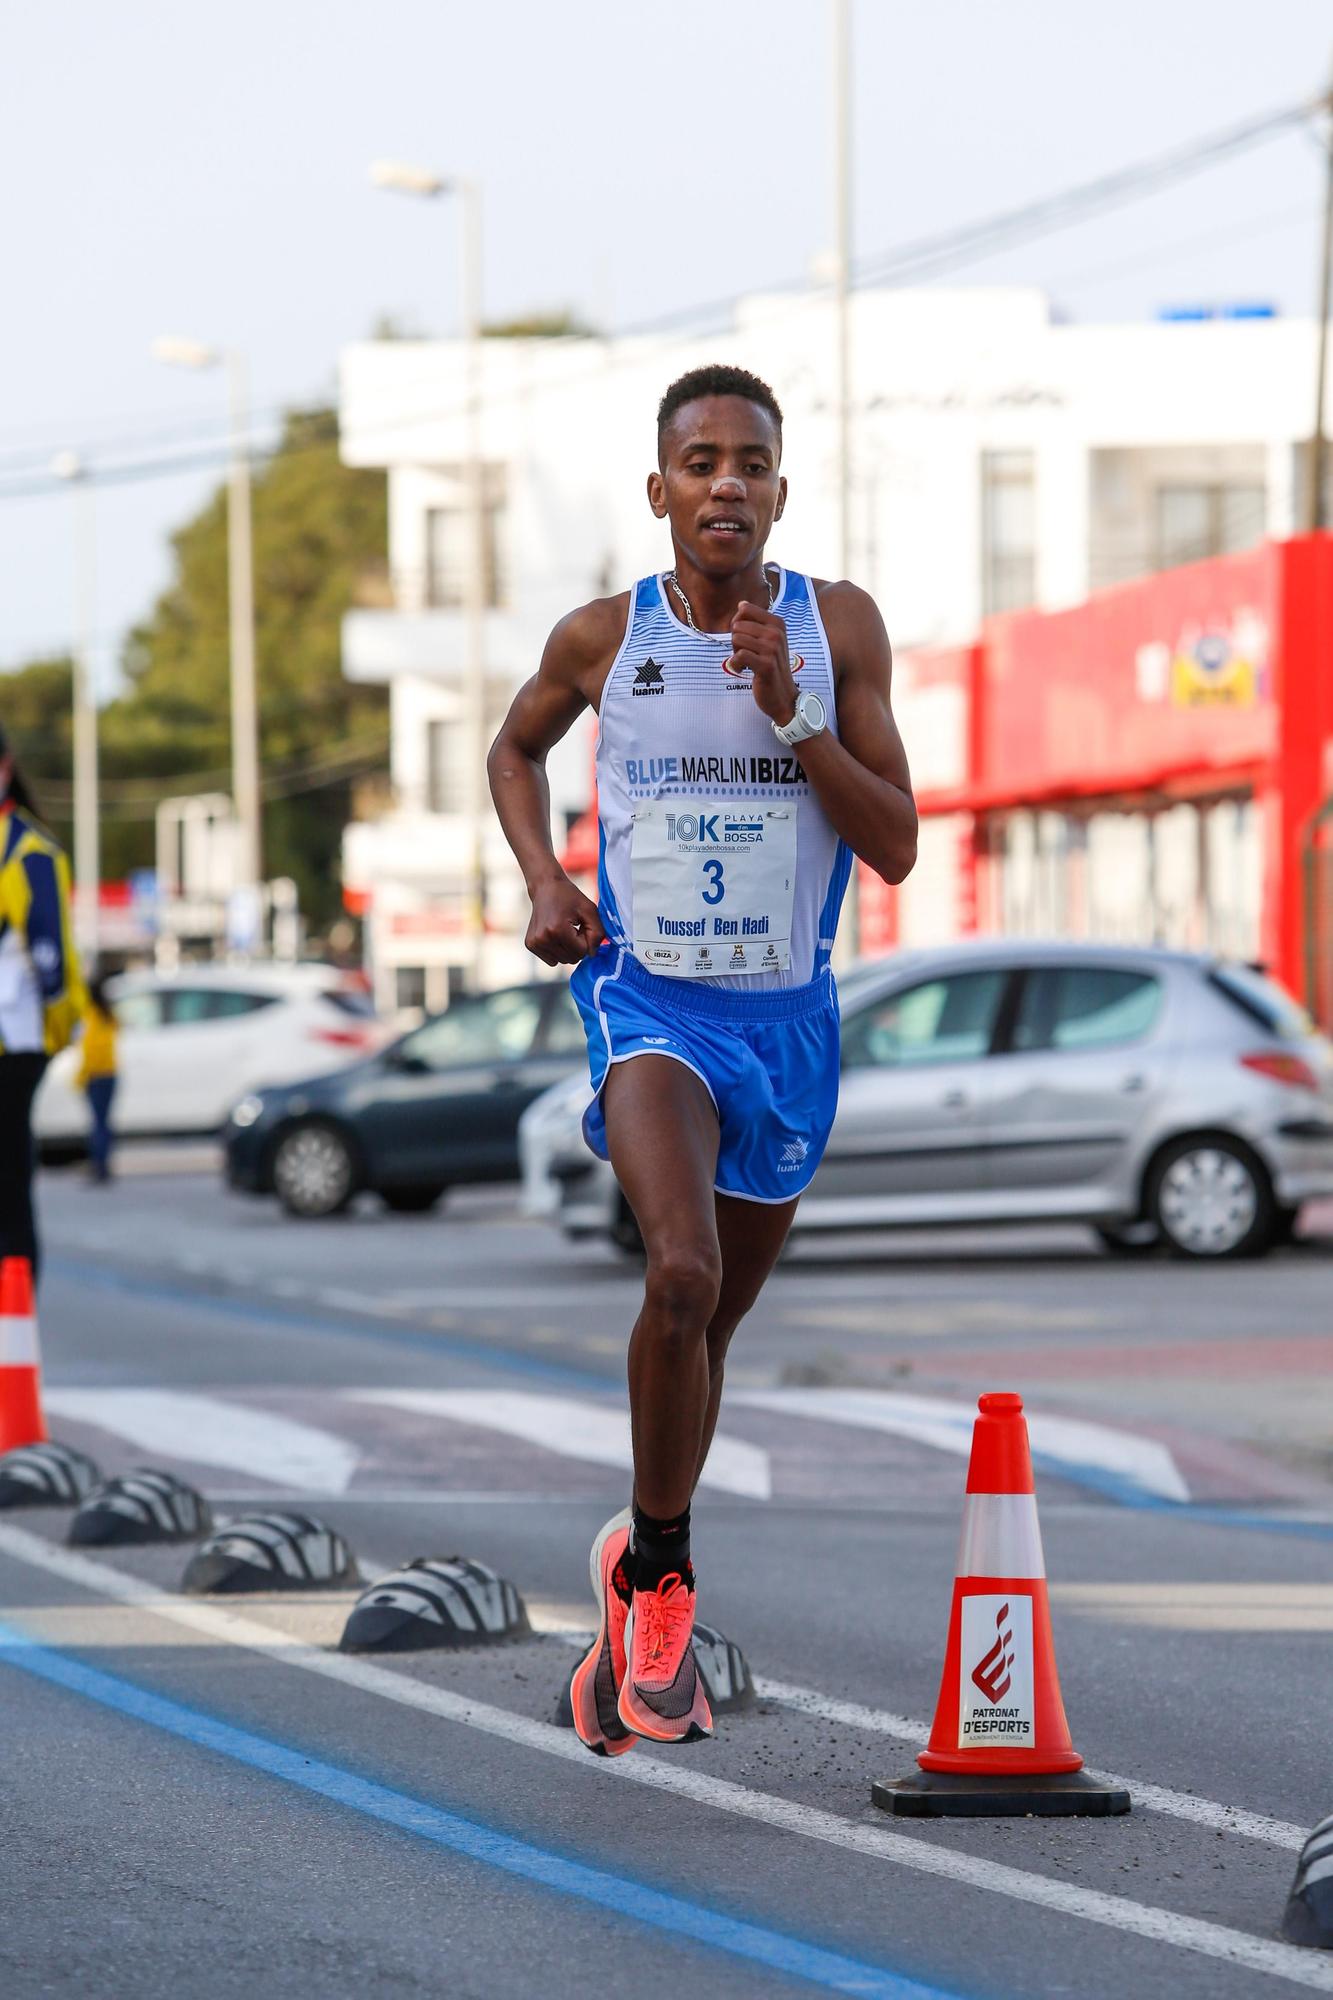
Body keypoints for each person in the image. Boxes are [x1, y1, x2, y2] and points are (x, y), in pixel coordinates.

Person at [488, 364, 916, 1750]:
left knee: (710, 1332)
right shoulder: (602, 636)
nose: (725, 482)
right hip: (652, 1006)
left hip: (784, 1023)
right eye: (700, 462)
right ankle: (664, 1575)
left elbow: (895, 842)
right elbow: (513, 750)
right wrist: (545, 880)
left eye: (750, 463)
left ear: (779, 493)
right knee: (681, 1272)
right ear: (659, 490)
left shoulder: (837, 626)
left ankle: (636, 1552)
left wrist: (795, 715)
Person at [0, 726, 83, 1280]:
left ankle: (15, 1317)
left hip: (12, 1046)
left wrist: (54, 1034)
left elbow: (54, 963)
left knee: (8, 1193)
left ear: (6, 768)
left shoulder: (29, 850)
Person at [78, 971, 119, 1184]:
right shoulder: (109, 1014)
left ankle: (99, 1166)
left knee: (97, 1123)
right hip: (111, 1073)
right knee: (104, 1122)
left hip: (96, 1075)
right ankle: (103, 1165)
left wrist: (81, 1076)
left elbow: (90, 1050)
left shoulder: (91, 1016)